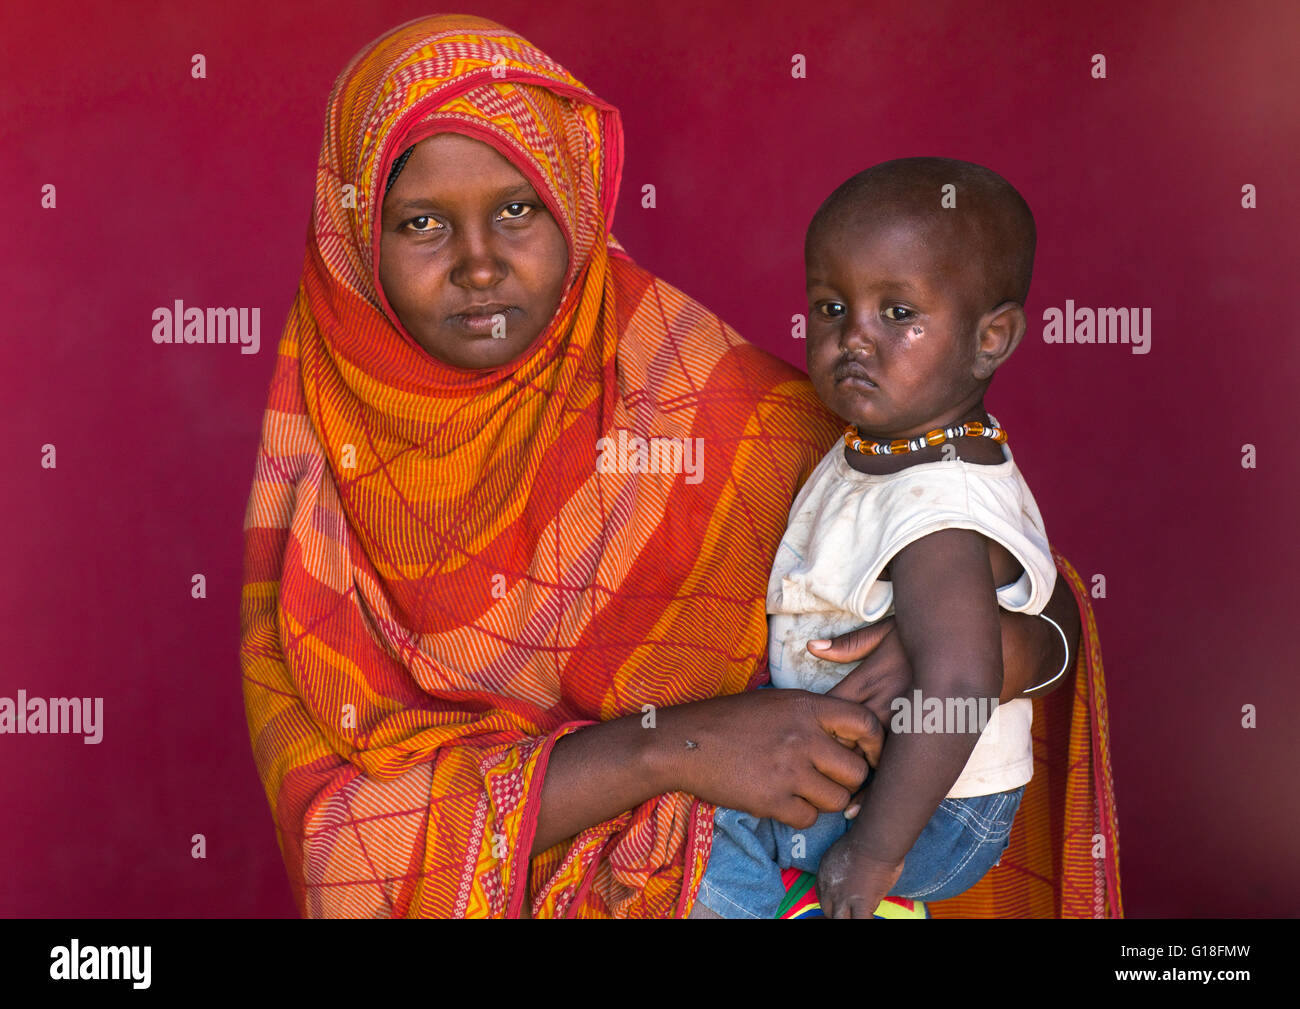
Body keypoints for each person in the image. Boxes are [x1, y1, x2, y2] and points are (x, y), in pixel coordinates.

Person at [239, 13, 1115, 918]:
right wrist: (667, 749)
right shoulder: (318, 500)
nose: (478, 263)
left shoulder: (722, 407)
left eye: (517, 208)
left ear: (576, 205)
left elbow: (1029, 585)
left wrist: (971, 654)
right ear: (350, 240)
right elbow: (341, 843)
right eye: (421, 221)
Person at [696, 158, 1063, 919]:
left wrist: (870, 858)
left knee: (691, 818)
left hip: (930, 811)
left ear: (989, 338)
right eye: (831, 308)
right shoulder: (899, 444)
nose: (853, 339)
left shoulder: (937, 508)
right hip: (910, 790)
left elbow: (961, 683)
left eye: (898, 314)